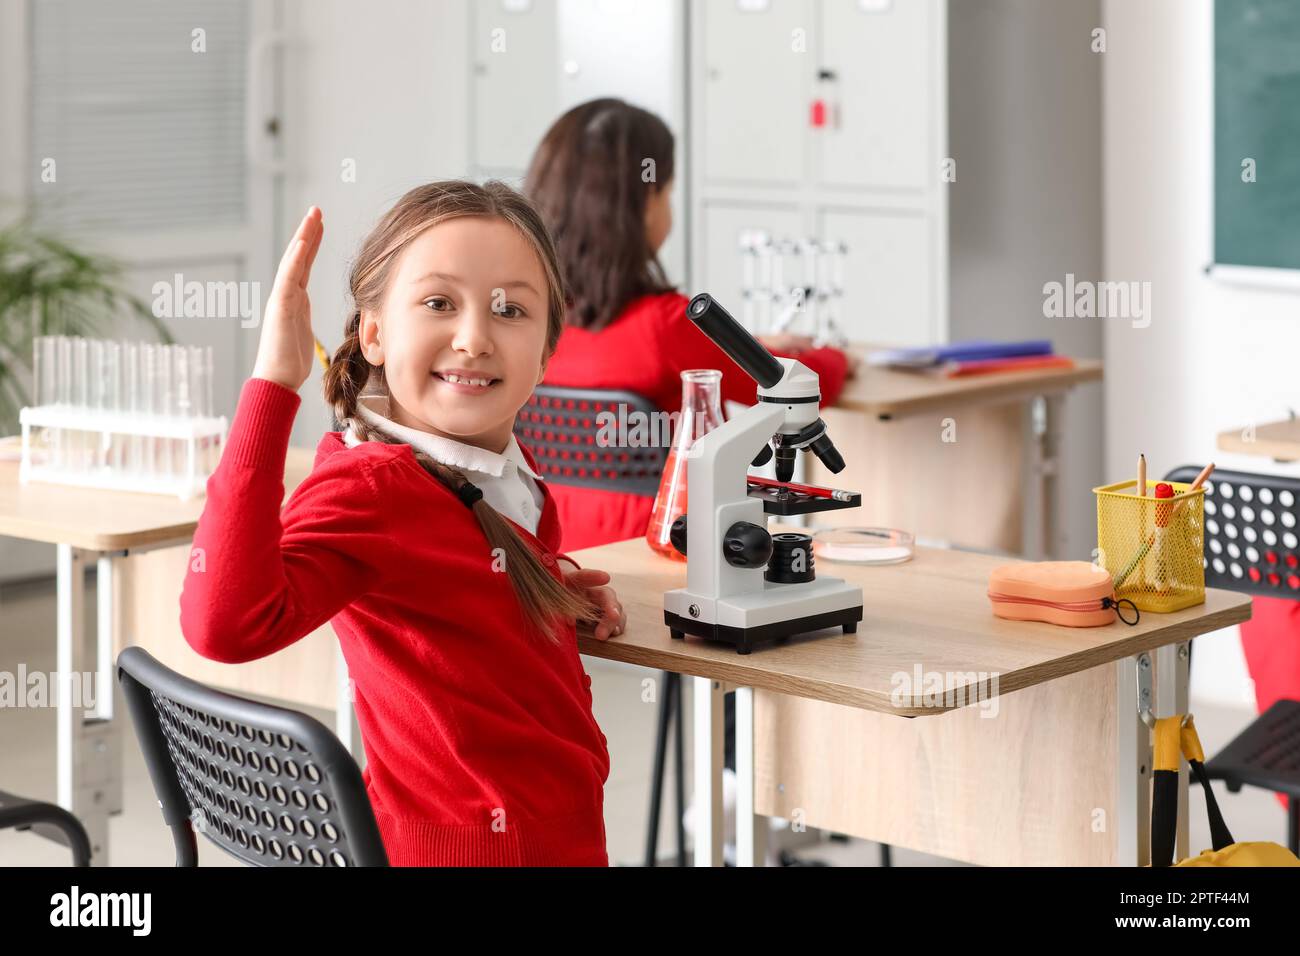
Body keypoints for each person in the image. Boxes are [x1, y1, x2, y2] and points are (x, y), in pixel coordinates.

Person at [180, 182, 627, 865]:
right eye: (439, 303)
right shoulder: (373, 487)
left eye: (509, 309)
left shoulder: (498, 471)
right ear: (374, 332)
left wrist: (550, 591)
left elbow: (454, 583)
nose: (474, 337)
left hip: (551, 835)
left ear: (546, 350)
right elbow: (223, 624)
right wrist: (274, 382)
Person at [526, 98, 855, 553]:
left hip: (546, 546)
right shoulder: (664, 327)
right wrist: (839, 355)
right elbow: (802, 385)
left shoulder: (527, 318)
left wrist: (754, 343)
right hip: (657, 546)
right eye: (668, 190)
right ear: (643, 204)